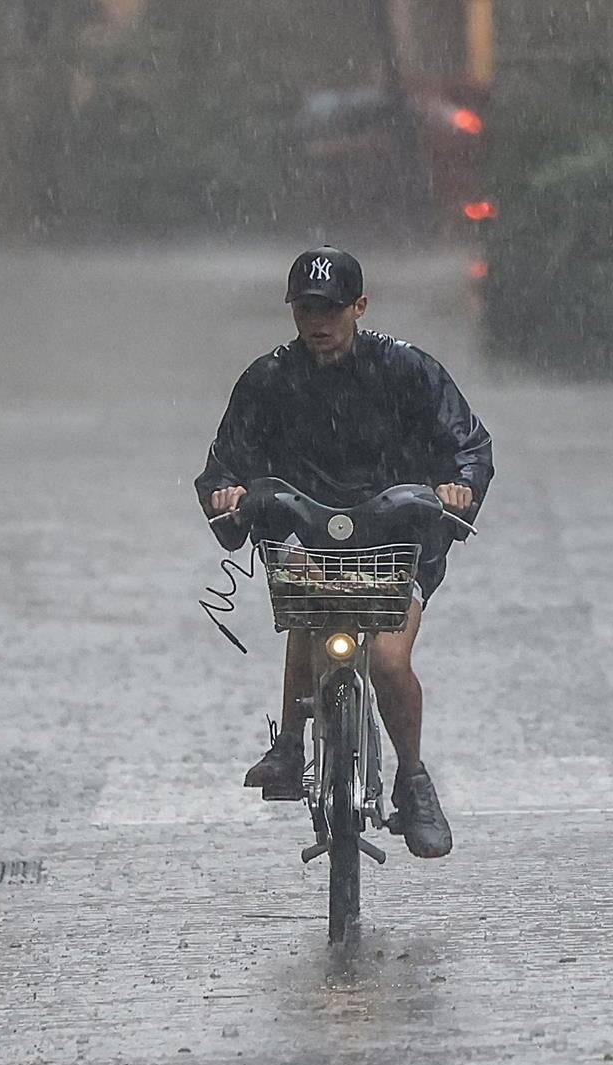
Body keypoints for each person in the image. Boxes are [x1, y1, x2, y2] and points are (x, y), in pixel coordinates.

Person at [194, 247, 493, 859]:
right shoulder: (268, 380)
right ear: (293, 312)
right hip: (307, 533)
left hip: (397, 537)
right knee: (303, 601)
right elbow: (225, 462)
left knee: (386, 662)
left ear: (359, 306)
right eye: (306, 309)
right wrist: (226, 492)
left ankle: (413, 779)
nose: (318, 322)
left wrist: (457, 487)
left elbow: (469, 444)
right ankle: (290, 744)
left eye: (331, 309)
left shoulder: (407, 369)